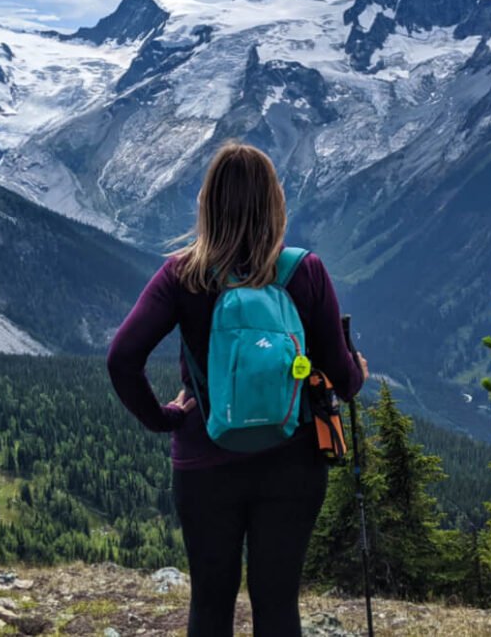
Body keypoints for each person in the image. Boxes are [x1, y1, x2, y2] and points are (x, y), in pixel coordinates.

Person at [107, 142, 368, 637]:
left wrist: (164, 418)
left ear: (207, 204)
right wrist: (358, 372)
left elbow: (121, 359)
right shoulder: (305, 271)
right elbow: (341, 378)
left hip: (204, 460)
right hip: (292, 462)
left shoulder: (181, 274)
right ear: (275, 204)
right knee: (278, 604)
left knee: (210, 603)